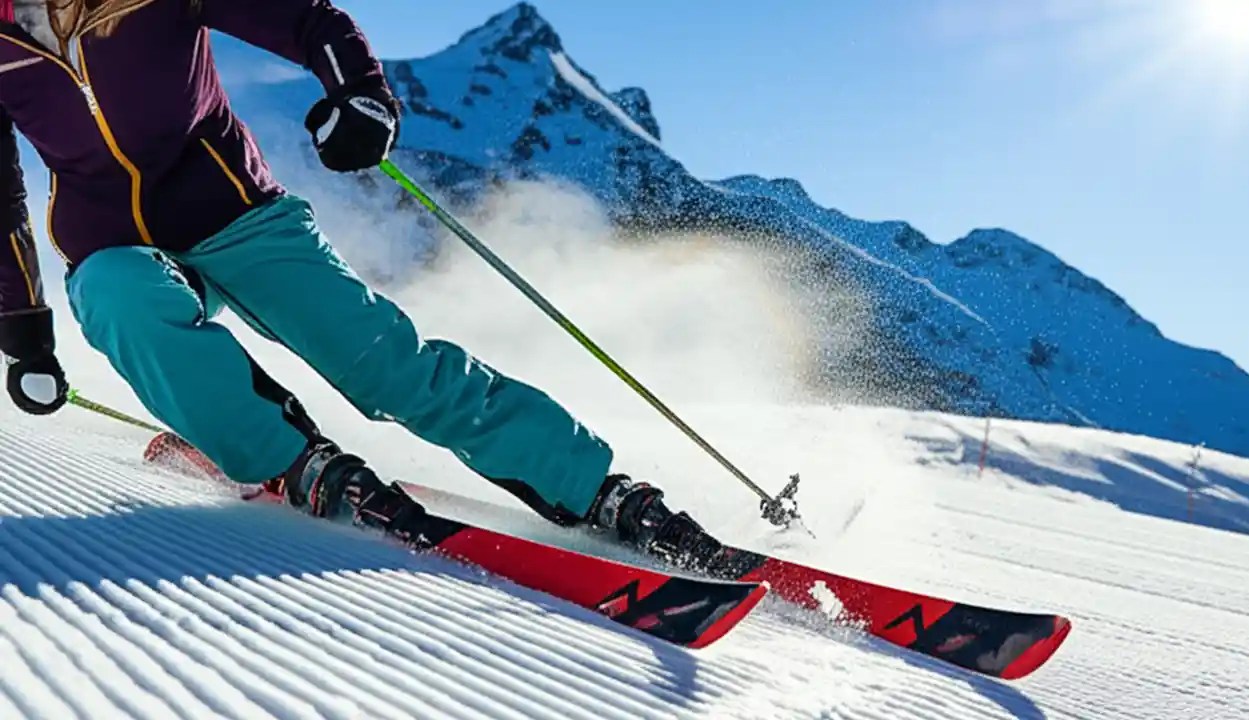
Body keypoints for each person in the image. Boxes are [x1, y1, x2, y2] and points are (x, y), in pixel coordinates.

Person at [0, 0, 716, 563]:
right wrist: (24, 326)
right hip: (114, 246)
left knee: (385, 367)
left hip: (240, 218)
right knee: (116, 295)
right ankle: (290, 464)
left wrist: (362, 95)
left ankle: (596, 489)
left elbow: (308, 19)